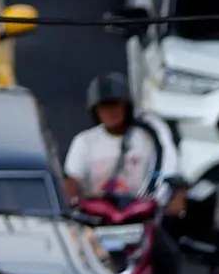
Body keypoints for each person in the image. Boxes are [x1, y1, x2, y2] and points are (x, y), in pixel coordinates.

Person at [62, 73, 186, 217]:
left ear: (126, 106)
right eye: (104, 107)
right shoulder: (84, 142)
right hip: (96, 218)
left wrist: (173, 203)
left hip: (141, 215)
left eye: (115, 105)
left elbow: (173, 173)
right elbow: (70, 184)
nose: (110, 112)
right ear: (95, 111)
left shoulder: (148, 138)